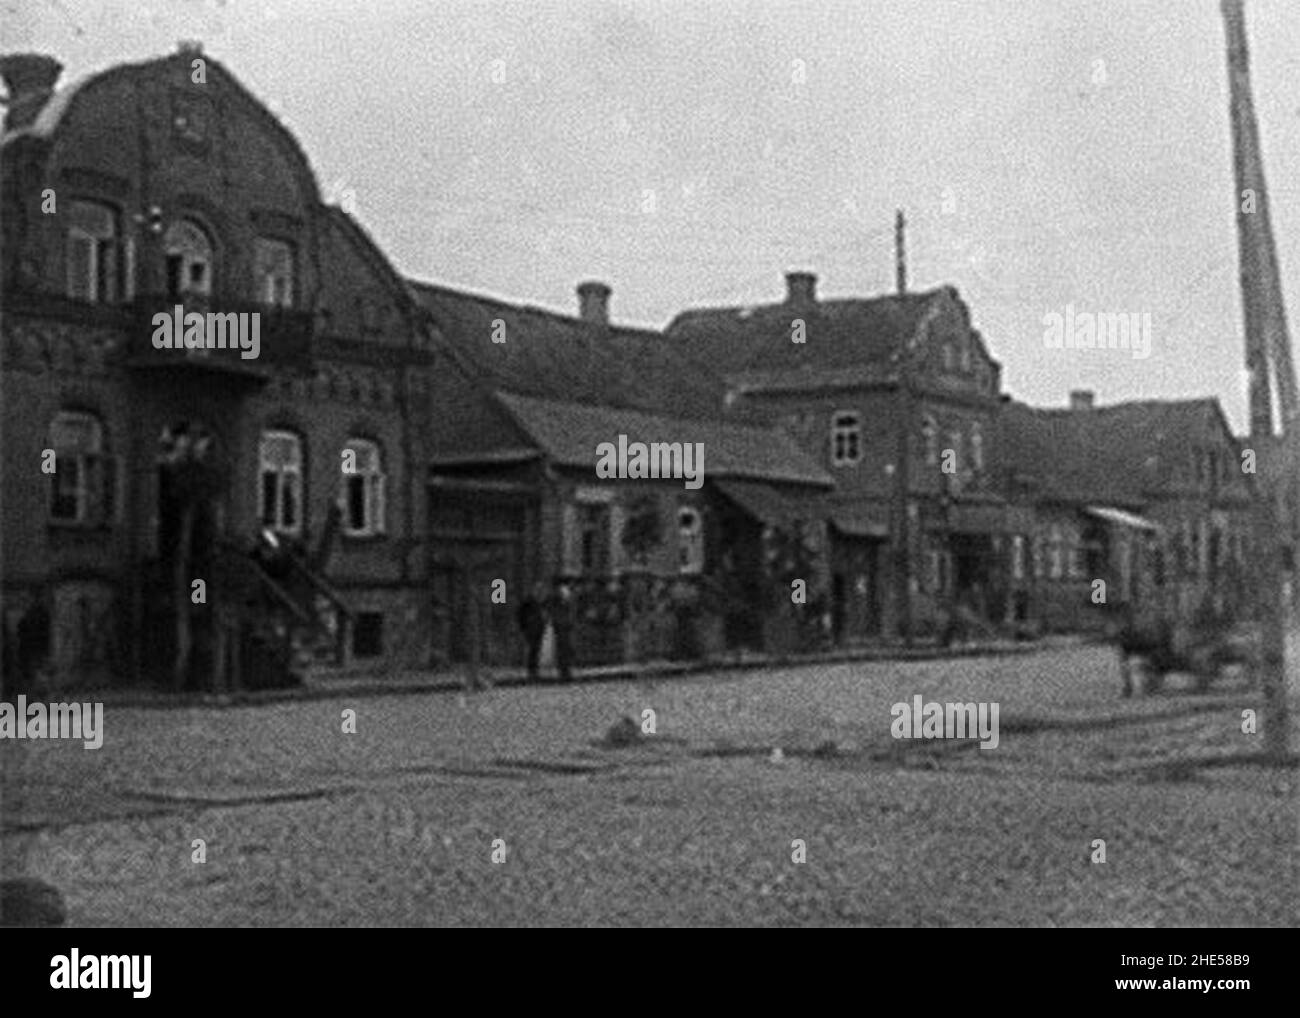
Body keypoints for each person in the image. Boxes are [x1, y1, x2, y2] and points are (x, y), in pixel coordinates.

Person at [517, 582, 548, 683]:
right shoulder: (528, 603)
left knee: (536, 651)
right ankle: (531, 672)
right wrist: (523, 628)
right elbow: (521, 616)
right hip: (530, 630)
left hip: (538, 629)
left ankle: (534, 671)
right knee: (532, 651)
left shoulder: (541, 603)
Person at [548, 581, 576, 683]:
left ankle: (566, 672)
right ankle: (563, 673)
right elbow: (555, 615)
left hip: (566, 628)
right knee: (562, 651)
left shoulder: (568, 604)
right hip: (561, 629)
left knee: (567, 651)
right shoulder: (557, 604)